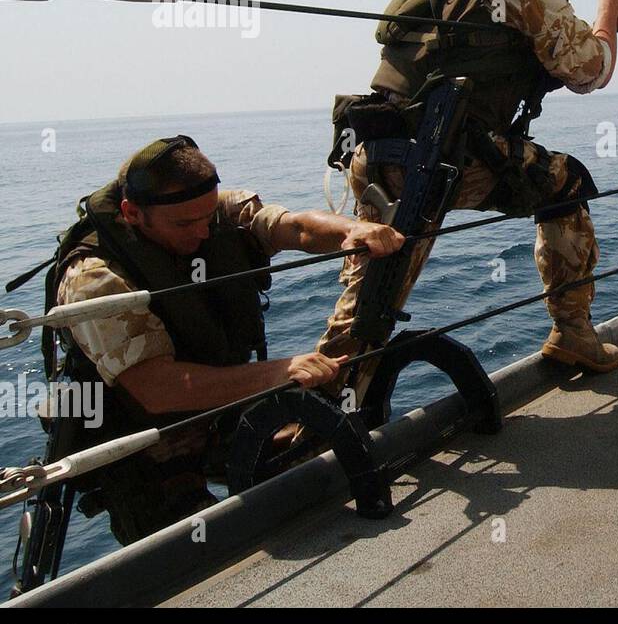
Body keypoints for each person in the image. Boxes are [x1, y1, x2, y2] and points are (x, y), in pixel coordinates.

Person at [320, 0, 618, 375]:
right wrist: (607, 14)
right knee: (566, 184)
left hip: (378, 145)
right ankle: (573, 334)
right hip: (443, 155)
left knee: (369, 294)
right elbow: (589, 71)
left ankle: (321, 408)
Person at [49, 136, 402, 543]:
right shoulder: (93, 278)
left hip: (224, 404)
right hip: (146, 438)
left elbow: (295, 227)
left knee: (319, 457)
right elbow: (156, 389)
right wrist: (281, 371)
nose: (202, 231)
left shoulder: (211, 213)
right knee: (187, 555)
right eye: (185, 224)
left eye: (206, 218)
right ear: (132, 213)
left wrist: (354, 230)